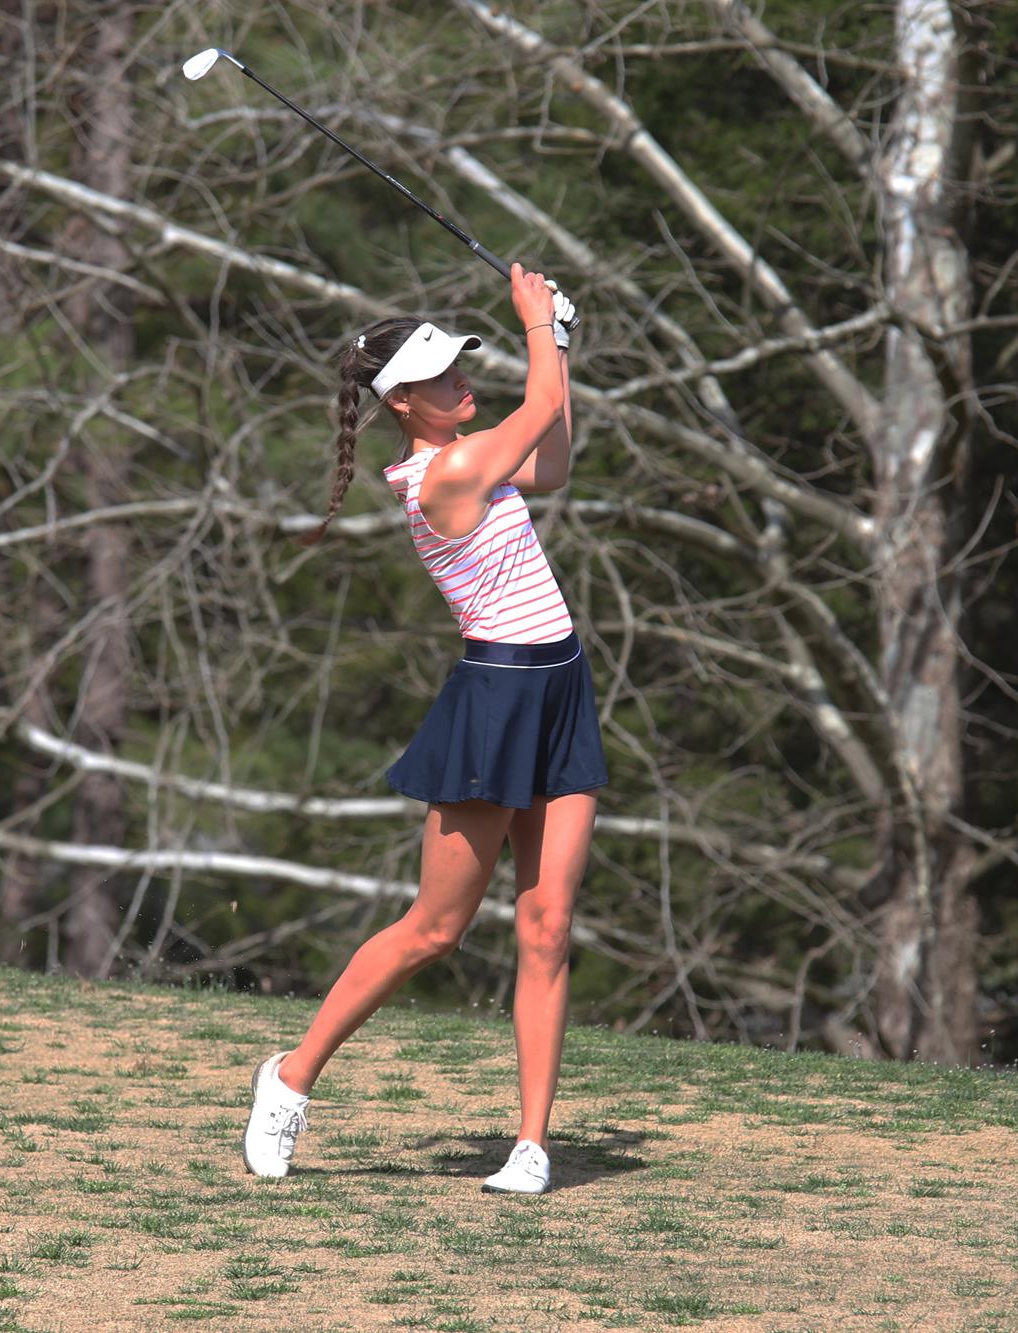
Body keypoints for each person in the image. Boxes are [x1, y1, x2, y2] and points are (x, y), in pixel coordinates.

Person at [242, 263, 605, 1196]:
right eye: (440, 377)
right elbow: (536, 410)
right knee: (436, 929)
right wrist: (538, 324)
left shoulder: (474, 454)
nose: (460, 382)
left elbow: (553, 460)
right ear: (403, 401)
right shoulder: (443, 474)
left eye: (458, 368)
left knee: (549, 925)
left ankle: (531, 1144)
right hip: (495, 701)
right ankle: (290, 1079)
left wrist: (558, 347)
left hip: (559, 686)